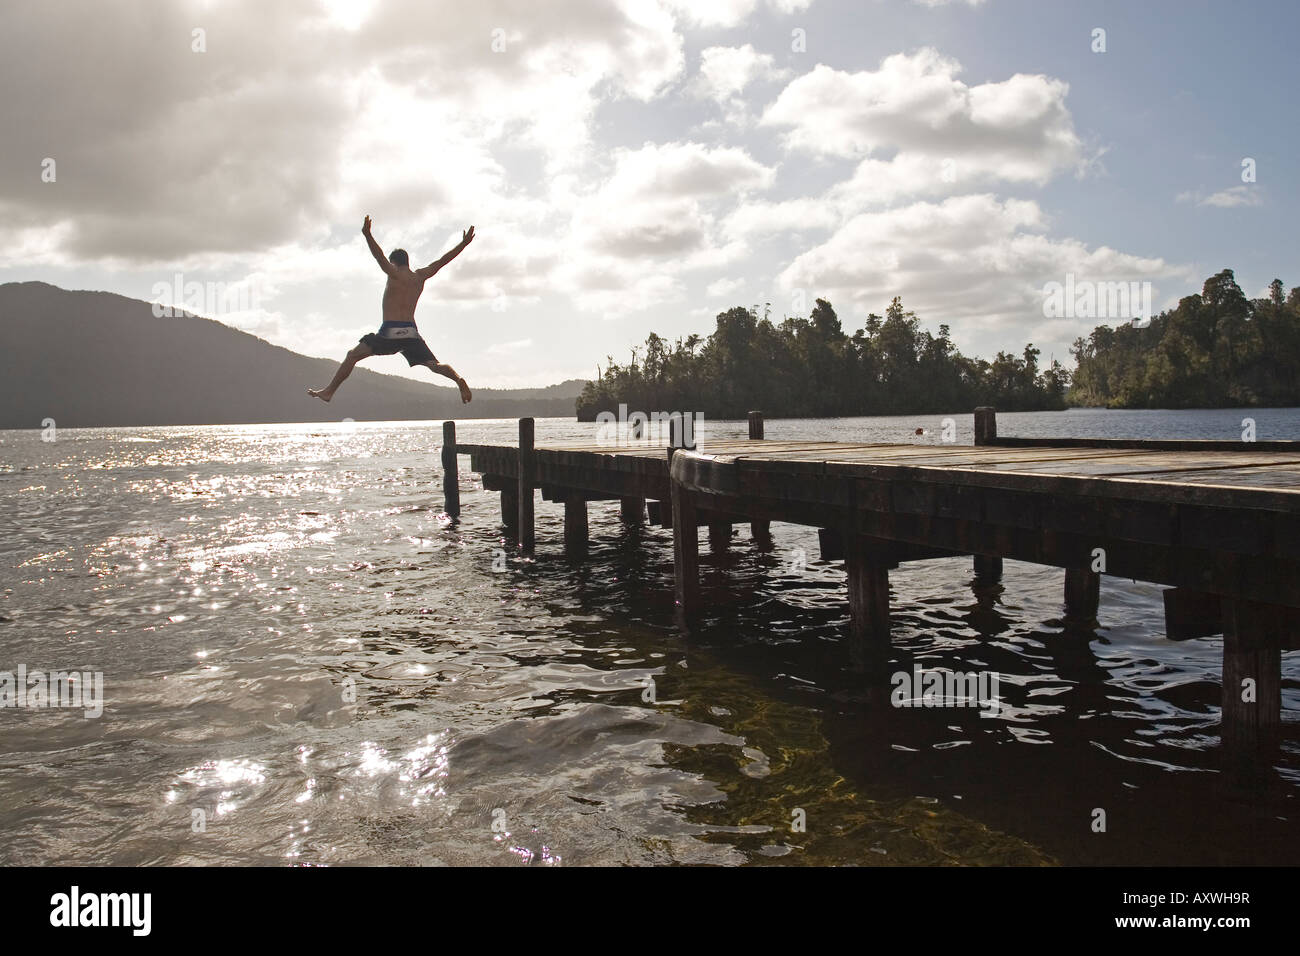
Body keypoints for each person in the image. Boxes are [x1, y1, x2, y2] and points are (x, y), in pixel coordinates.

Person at [309, 216, 474, 404]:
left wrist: (367, 235)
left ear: (394, 262)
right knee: (434, 365)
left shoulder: (393, 274)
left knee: (352, 355)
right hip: (411, 333)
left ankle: (329, 391)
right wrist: (463, 244)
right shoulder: (420, 276)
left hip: (390, 331)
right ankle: (458, 379)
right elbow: (443, 260)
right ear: (408, 262)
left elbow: (378, 256)